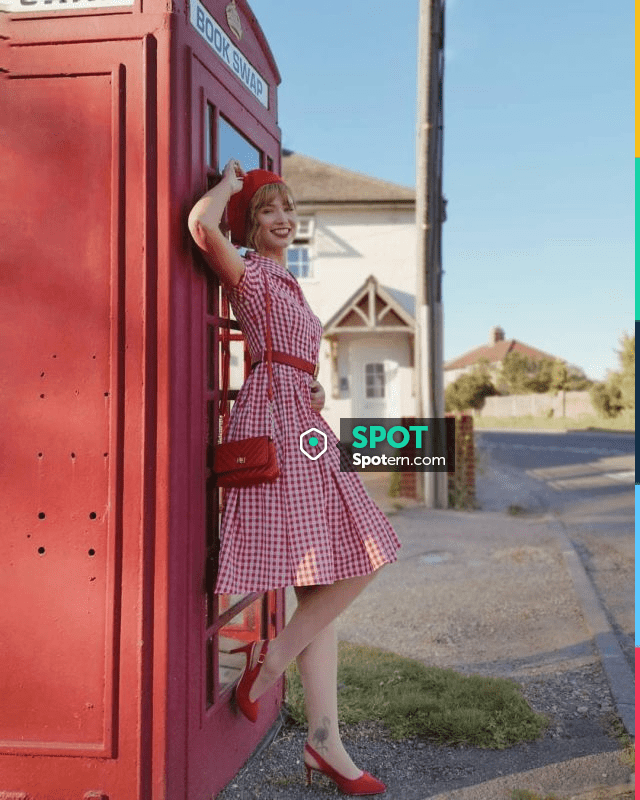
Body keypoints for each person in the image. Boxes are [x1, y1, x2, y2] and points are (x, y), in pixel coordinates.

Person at [188, 159, 401, 795]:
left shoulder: (289, 283)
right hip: (274, 425)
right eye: (267, 212)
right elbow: (200, 226)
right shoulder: (250, 274)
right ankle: (273, 661)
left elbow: (294, 354)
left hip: (302, 422)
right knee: (364, 552)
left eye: (286, 210)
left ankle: (324, 740)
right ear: (250, 227)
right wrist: (227, 187)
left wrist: (310, 384)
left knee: (332, 569)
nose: (282, 219)